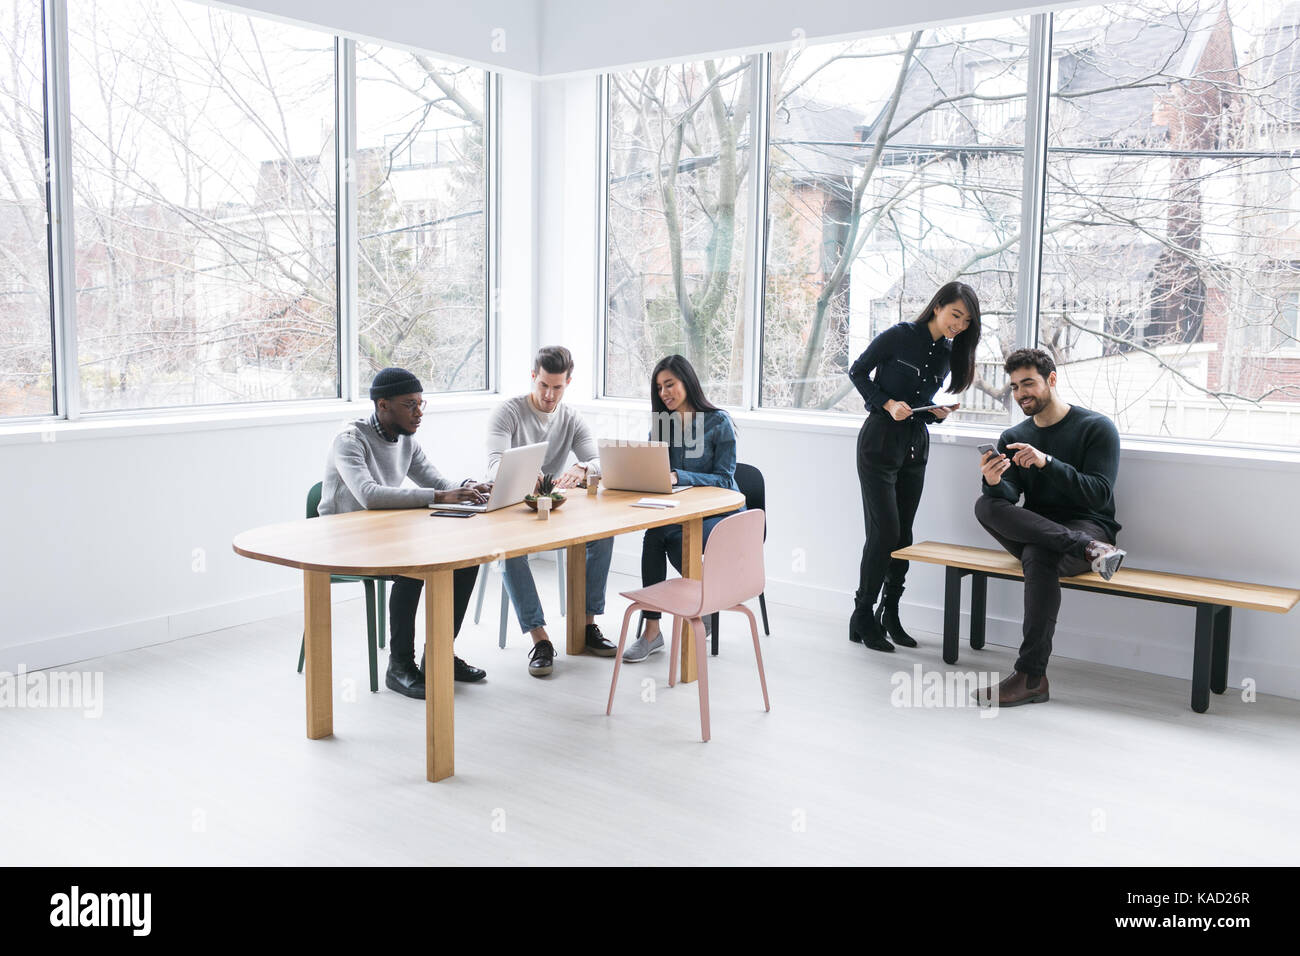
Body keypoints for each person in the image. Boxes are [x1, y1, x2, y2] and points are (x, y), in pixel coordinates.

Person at [318, 367, 492, 699]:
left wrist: (469, 485)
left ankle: (440, 653)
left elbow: (437, 482)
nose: (419, 413)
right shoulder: (349, 441)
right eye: (410, 404)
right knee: (414, 566)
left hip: (384, 533)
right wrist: (439, 498)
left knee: (467, 560)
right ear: (383, 405)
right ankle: (399, 667)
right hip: (342, 540)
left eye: (421, 404)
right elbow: (368, 495)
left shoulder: (406, 439)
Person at [974, 347, 1127, 707]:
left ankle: (1031, 677)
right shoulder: (1013, 435)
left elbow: (1099, 494)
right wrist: (994, 480)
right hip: (1052, 532)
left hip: (1091, 526)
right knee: (985, 503)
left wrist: (1048, 463)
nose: (1020, 393)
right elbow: (1006, 500)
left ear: (1051, 380)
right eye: (1013, 386)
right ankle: (1087, 552)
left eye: (1028, 383)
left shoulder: (1096, 427)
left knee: (1039, 552)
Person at [847, 281, 982, 652]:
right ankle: (862, 613)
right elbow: (857, 372)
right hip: (878, 445)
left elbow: (920, 401)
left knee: (903, 534)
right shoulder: (898, 336)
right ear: (938, 306)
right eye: (956, 314)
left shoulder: (947, 355)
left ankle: (889, 613)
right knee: (884, 532)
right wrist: (886, 402)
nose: (959, 324)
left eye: (966, 320)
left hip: (914, 448)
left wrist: (935, 411)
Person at [485, 345, 619, 678]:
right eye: (544, 385)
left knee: (602, 536)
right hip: (513, 511)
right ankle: (540, 637)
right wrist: (520, 474)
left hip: (554, 512)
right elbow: (492, 465)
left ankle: (586, 625)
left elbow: (601, 459)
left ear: (568, 383)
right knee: (509, 552)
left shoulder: (571, 417)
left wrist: (583, 467)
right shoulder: (508, 412)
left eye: (557, 387)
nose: (549, 394)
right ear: (534, 377)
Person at [622, 355, 741, 663]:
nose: (664, 393)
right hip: (679, 511)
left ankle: (704, 604)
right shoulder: (664, 424)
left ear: (687, 381)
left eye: (670, 384)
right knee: (655, 534)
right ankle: (653, 631)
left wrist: (680, 476)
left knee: (675, 539)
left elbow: (725, 480)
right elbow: (655, 469)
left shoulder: (718, 422)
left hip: (720, 513)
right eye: (659, 387)